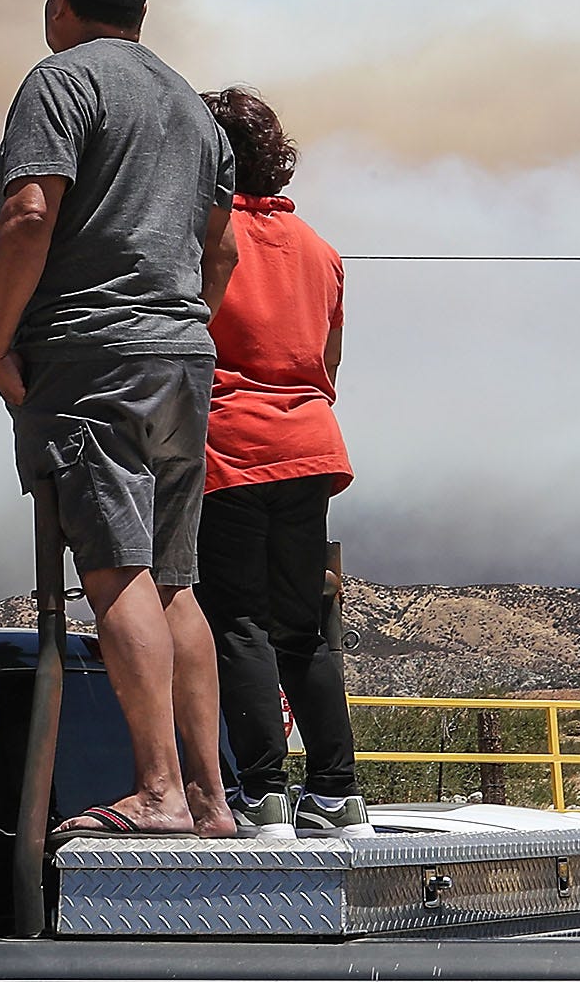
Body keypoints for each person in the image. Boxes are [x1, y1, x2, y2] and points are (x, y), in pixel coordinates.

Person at [0, 0, 240, 840]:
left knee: (114, 569)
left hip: (94, 359)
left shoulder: (61, 84)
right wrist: (181, 322)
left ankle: (159, 791)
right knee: (176, 581)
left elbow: (28, 213)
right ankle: (212, 799)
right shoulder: (195, 110)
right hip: (183, 359)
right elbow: (223, 250)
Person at [193, 87, 361, 841]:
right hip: (311, 447)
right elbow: (328, 361)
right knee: (302, 629)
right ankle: (337, 794)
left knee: (239, 623)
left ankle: (262, 796)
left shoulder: (205, 234)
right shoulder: (322, 251)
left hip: (229, 447)